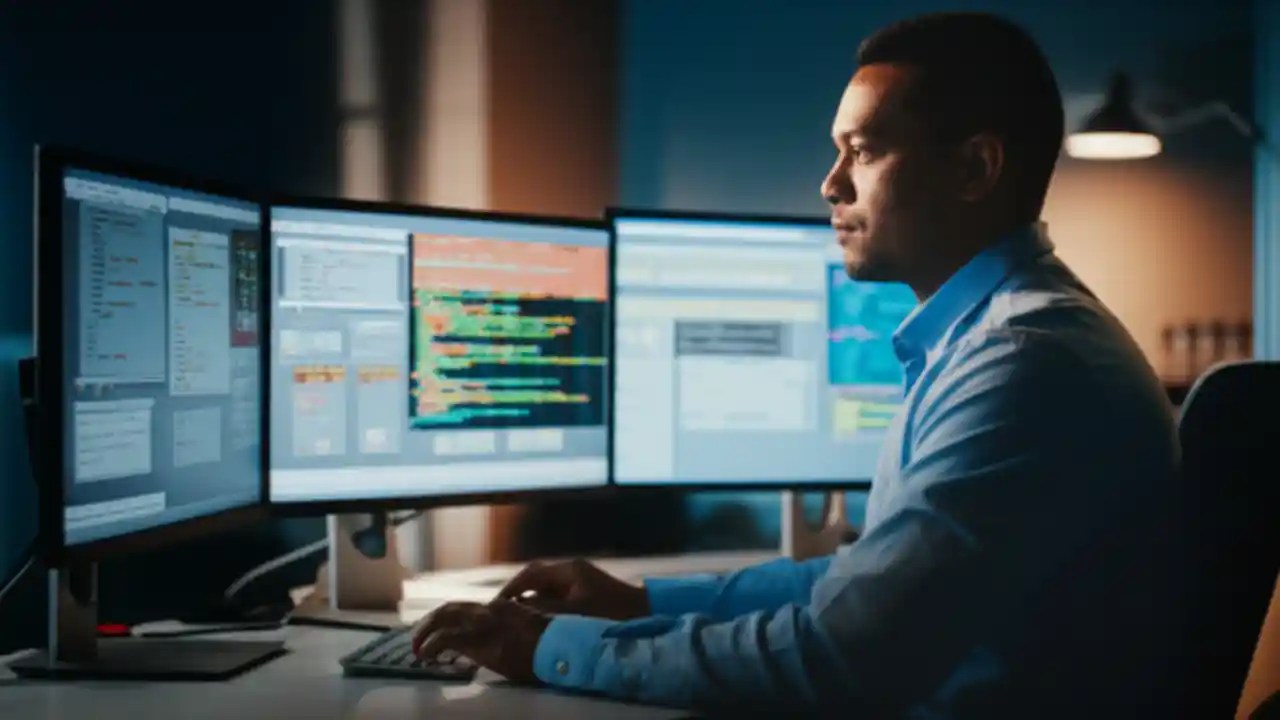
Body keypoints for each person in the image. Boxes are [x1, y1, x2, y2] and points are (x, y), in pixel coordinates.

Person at [412, 12, 1189, 716]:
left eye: (863, 150)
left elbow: (836, 656)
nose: (829, 184)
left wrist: (545, 649)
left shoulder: (1022, 366)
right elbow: (859, 592)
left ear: (974, 169)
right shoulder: (997, 340)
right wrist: (634, 599)